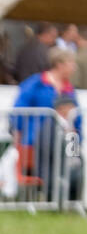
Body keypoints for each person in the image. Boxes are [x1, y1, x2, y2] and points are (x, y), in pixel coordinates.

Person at [12, 46, 79, 192]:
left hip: (65, 138)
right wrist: (17, 132)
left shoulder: (69, 88)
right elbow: (19, 108)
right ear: (60, 64)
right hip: (36, 138)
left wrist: (78, 137)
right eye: (71, 63)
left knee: (74, 163)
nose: (74, 67)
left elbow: (76, 116)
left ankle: (68, 194)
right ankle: (52, 193)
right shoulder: (36, 83)